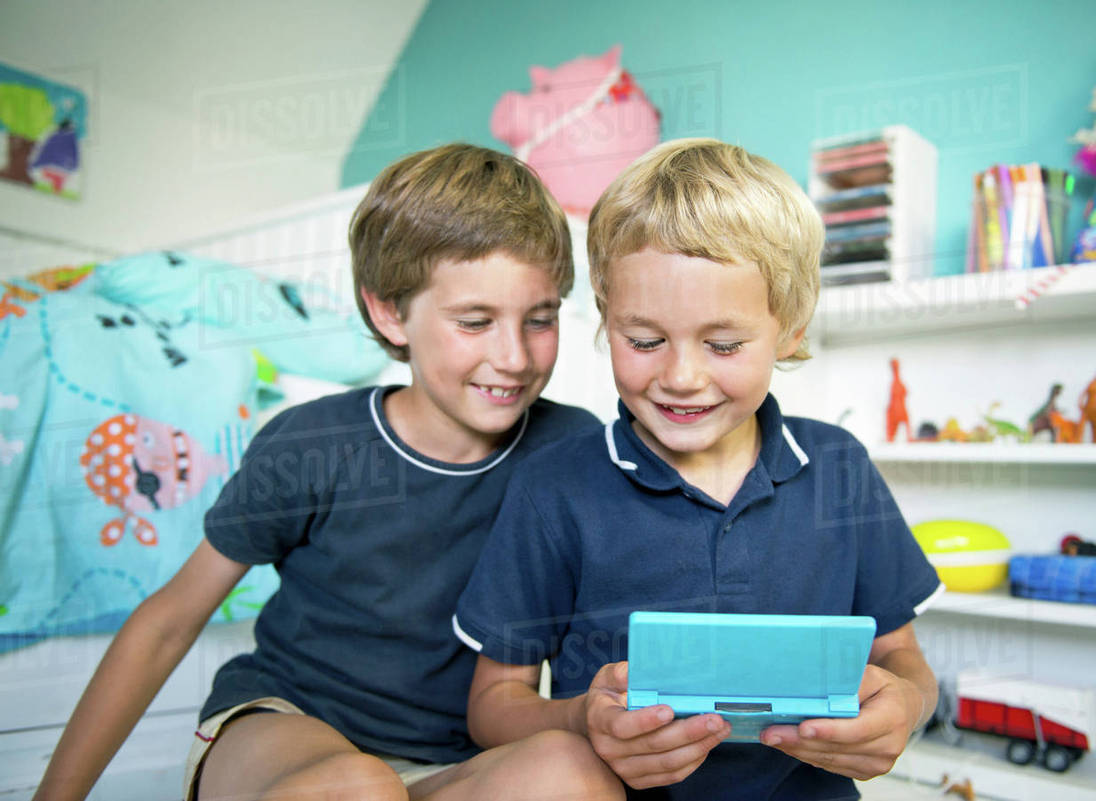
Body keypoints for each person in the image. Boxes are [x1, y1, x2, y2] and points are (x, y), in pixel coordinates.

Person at [33, 144, 624, 801]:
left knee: (576, 777)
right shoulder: (313, 444)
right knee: (361, 787)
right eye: (475, 321)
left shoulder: (573, 451)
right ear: (389, 312)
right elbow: (168, 621)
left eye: (539, 320)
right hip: (283, 732)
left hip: (446, 766)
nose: (513, 356)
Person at [453, 138, 943, 800]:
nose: (682, 377)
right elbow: (493, 703)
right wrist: (578, 718)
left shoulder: (837, 468)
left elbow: (900, 655)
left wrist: (906, 706)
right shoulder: (555, 485)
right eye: (645, 340)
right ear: (606, 317)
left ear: (791, 328)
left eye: (723, 344)